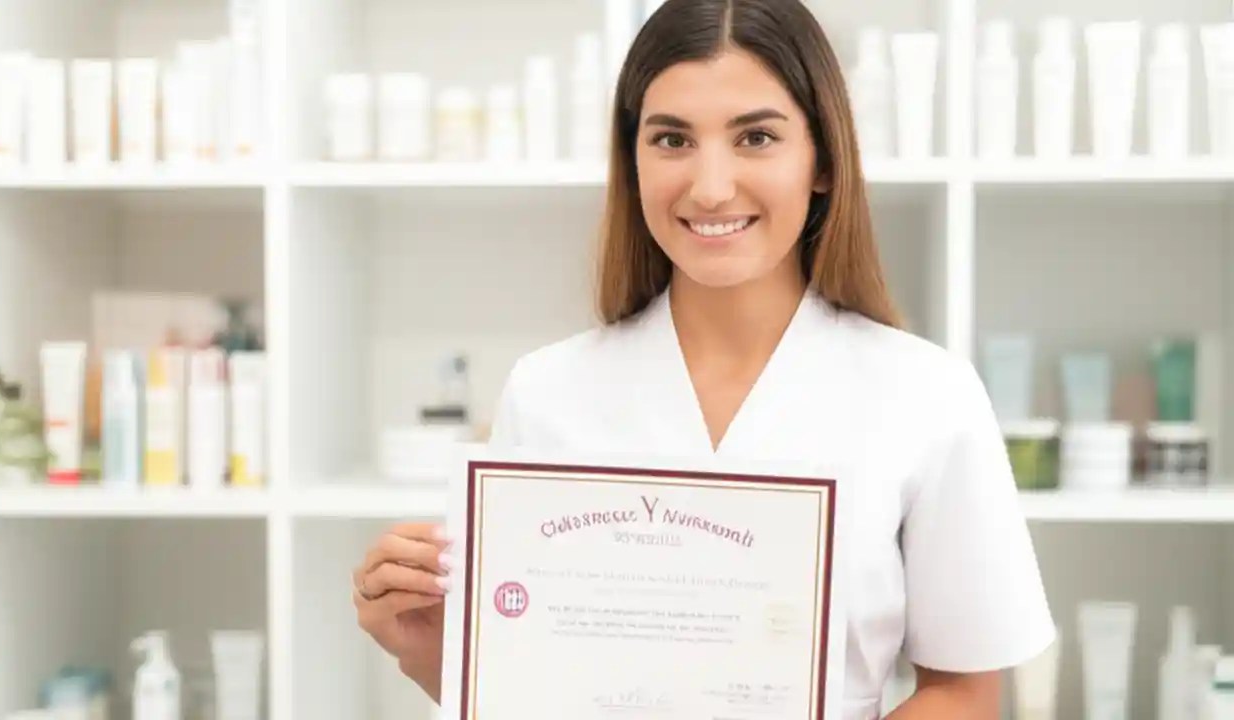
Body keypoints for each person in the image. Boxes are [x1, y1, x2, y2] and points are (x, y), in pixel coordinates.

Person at [352, 0, 1055, 717]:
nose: (711, 186)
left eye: (755, 137)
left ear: (822, 160)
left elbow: (963, 691)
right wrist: (431, 653)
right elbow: (527, 690)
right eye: (671, 140)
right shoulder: (547, 392)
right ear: (633, 161)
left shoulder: (926, 394)